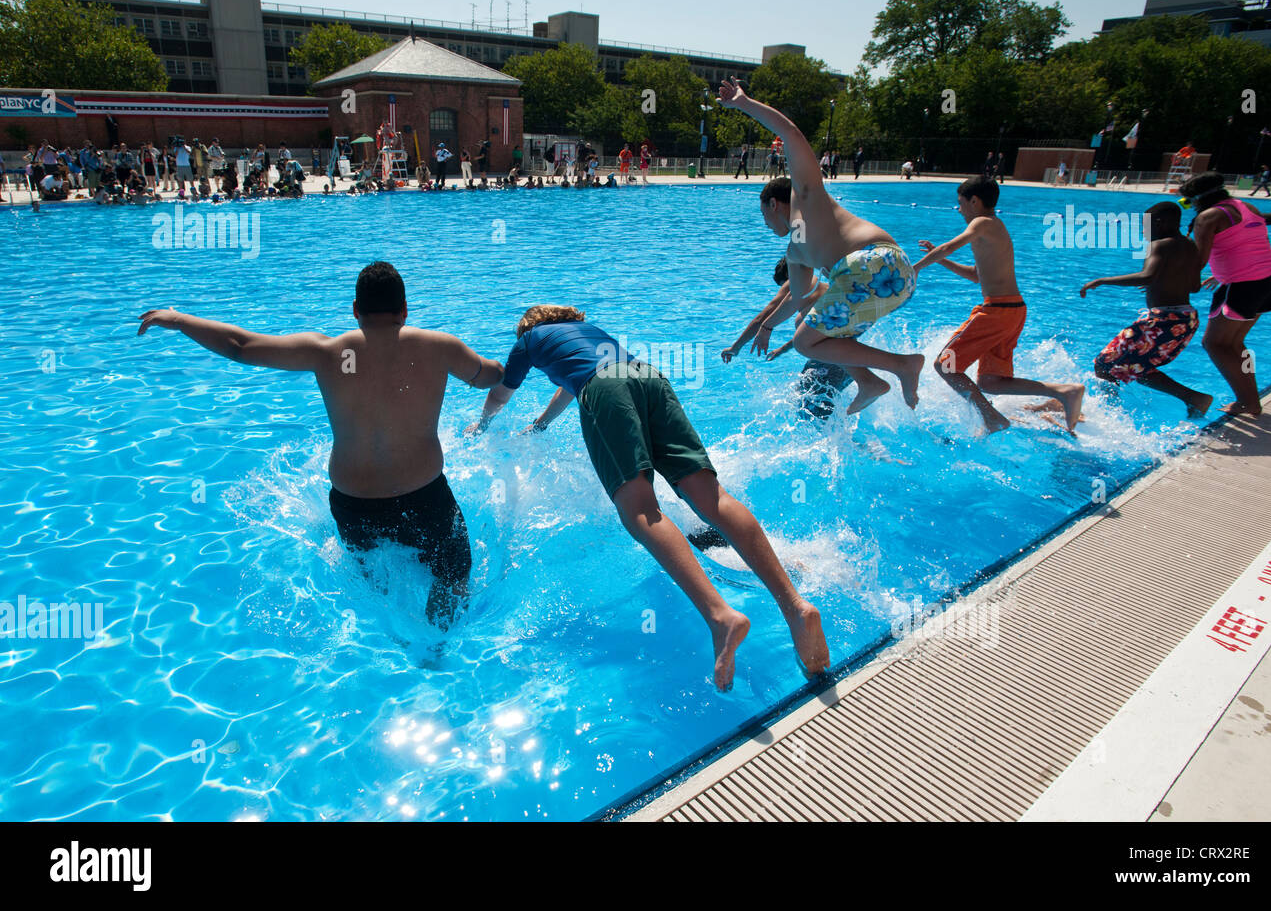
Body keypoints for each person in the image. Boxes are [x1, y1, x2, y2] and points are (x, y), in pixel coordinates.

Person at [466, 304, 830, 689]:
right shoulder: (586, 332)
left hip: (605, 389)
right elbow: (574, 384)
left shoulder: (528, 340)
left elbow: (502, 391)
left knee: (640, 511)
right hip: (649, 378)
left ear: (528, 328)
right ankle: (794, 605)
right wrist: (540, 424)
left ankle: (721, 616)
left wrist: (483, 424)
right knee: (712, 498)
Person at [137, 262, 504, 626]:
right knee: (454, 575)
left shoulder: (326, 352)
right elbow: (487, 377)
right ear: (404, 311)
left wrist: (179, 320)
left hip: (354, 507)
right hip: (426, 500)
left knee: (374, 584)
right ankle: (435, 650)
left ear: (355, 310)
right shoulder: (440, 347)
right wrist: (504, 367)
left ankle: (389, 636)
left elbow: (240, 346)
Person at [718, 77, 924, 414]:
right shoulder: (797, 253)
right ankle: (869, 381)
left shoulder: (806, 197)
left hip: (874, 263)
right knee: (811, 330)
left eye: (764, 216)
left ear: (773, 205)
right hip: (895, 282)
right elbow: (800, 303)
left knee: (804, 340)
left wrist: (743, 103)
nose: (767, 226)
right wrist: (768, 326)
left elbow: (792, 136)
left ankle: (903, 365)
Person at [914, 176, 1086, 433]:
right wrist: (937, 259)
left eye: (960, 203)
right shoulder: (993, 228)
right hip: (1013, 311)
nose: (959, 209)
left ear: (975, 201)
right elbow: (976, 274)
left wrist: (915, 268)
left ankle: (991, 418)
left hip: (997, 311)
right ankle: (1063, 392)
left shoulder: (982, 222)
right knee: (991, 382)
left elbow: (950, 246)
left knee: (944, 365)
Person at [1081, 202, 1211, 416]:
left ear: (1159, 223)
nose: (1143, 231)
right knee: (1133, 366)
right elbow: (1194, 287)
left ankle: (1107, 415)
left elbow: (1147, 275)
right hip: (1185, 320)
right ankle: (1195, 399)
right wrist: (1162, 280)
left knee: (1103, 364)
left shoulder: (1159, 245)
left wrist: (1102, 280)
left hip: (1163, 321)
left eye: (1145, 225)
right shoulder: (1189, 245)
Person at [1182, 172, 1271, 415]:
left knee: (1215, 344)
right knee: (1233, 343)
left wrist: (1171, 281)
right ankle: (1251, 399)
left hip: (1244, 284)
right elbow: (1248, 242)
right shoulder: (1246, 205)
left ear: (1196, 200)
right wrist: (1220, 273)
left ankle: (1249, 401)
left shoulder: (1208, 217)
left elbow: (1197, 261)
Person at [721, 257, 850, 420]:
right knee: (819, 416)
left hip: (828, 361)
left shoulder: (796, 283)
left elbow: (762, 317)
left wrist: (736, 347)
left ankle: (860, 446)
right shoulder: (824, 288)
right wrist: (783, 349)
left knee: (807, 414)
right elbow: (815, 332)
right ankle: (862, 445)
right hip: (847, 361)